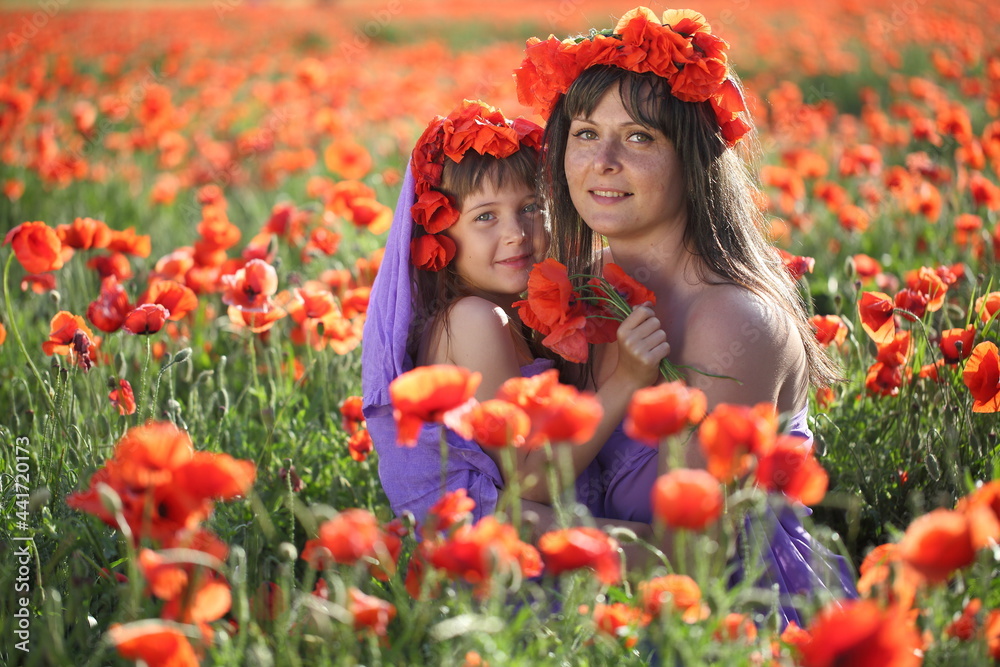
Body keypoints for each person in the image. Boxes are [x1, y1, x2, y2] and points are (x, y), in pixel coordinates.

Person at [515, 7, 856, 623]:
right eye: (586, 133)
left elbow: (693, 560)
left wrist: (526, 527)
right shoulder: (581, 288)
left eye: (640, 137)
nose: (604, 161)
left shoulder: (733, 320)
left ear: (692, 156)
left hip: (723, 625)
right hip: (601, 606)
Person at [361, 100, 662, 537]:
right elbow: (529, 481)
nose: (516, 233)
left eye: (530, 207)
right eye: (485, 216)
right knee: (676, 557)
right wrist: (628, 379)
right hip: (503, 553)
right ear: (440, 238)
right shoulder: (474, 319)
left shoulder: (513, 314)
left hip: (527, 531)